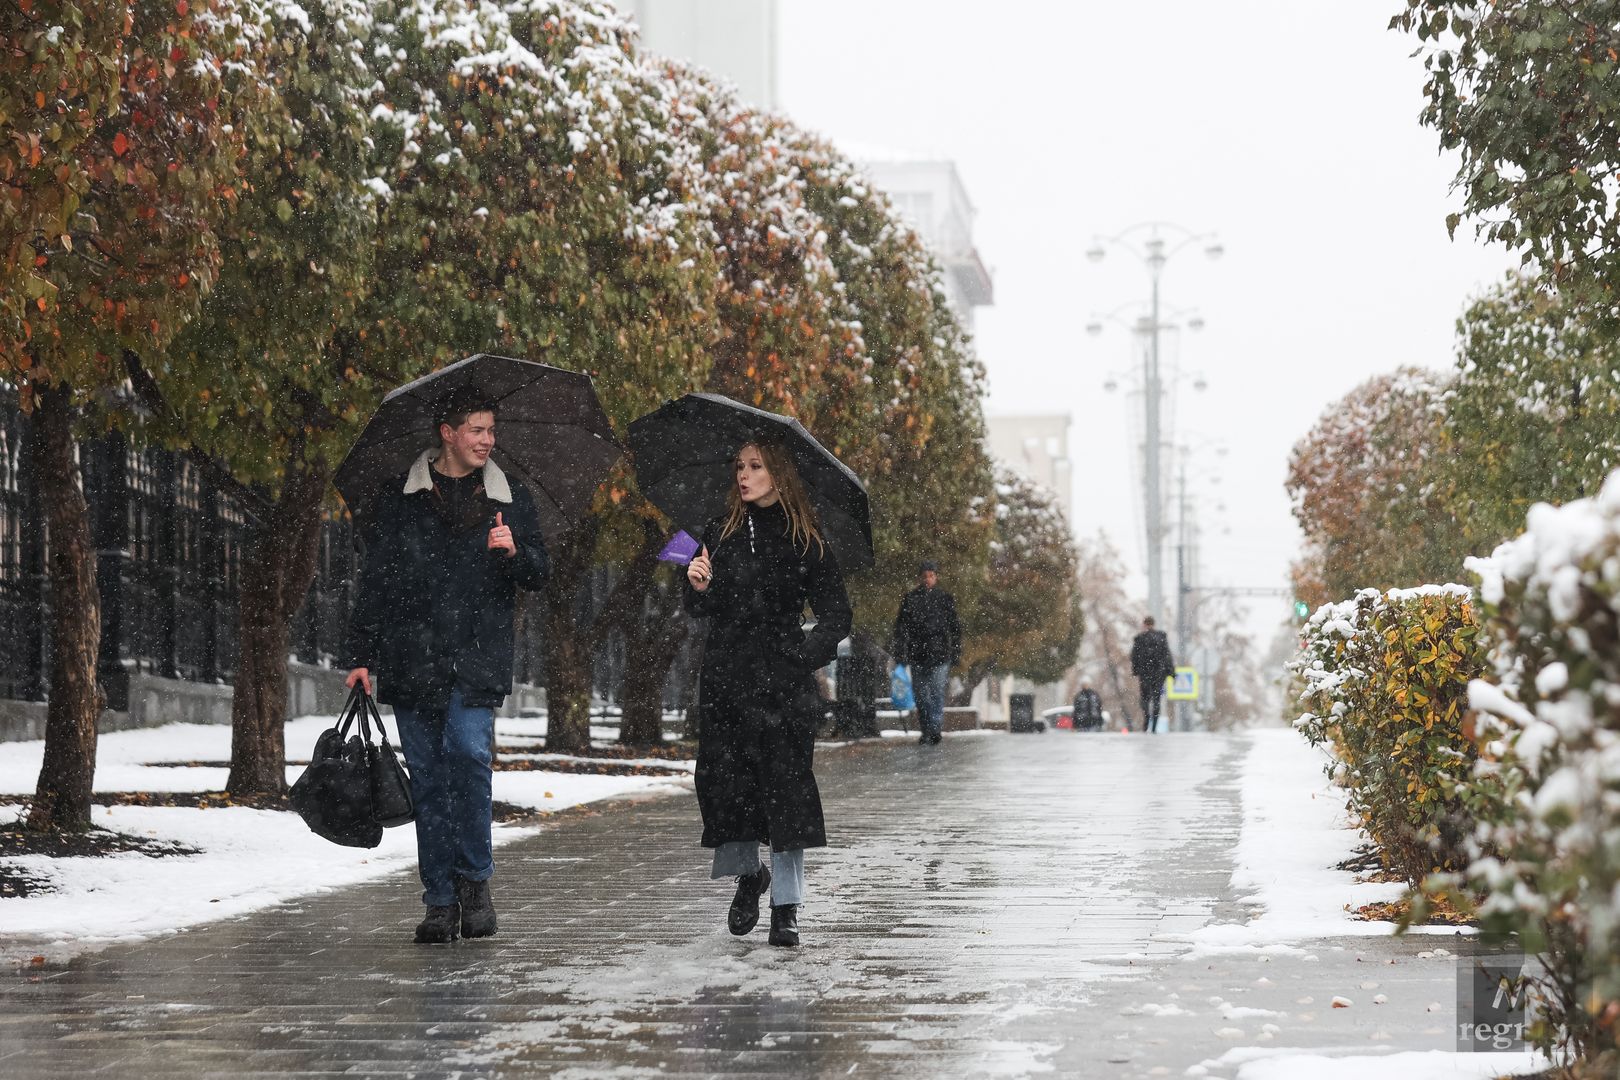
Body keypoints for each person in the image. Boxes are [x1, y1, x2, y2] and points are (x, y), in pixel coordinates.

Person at [344, 386, 549, 944]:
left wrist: (515, 553)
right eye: (477, 430)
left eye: (491, 430)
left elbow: (539, 573)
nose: (488, 440)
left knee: (467, 757)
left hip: (476, 654)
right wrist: (361, 654)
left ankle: (475, 881)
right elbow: (378, 581)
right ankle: (439, 900)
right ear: (448, 433)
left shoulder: (509, 499)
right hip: (413, 655)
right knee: (429, 781)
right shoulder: (400, 498)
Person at [684, 438, 851, 948]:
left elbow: (837, 616)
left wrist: (801, 656)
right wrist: (696, 584)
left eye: (755, 466)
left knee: (786, 792)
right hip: (726, 677)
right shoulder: (718, 531)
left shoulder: (808, 540)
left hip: (783, 683)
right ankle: (748, 876)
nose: (743, 475)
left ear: (779, 473)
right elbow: (696, 607)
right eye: (739, 466)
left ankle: (787, 904)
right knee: (724, 785)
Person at [891, 561, 961, 745]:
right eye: (925, 576)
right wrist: (901, 654)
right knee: (921, 695)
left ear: (936, 577)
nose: (928, 579)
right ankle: (927, 729)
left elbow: (955, 628)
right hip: (918, 654)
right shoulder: (911, 599)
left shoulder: (944, 599)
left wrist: (955, 652)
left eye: (931, 575)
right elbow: (901, 629)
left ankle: (935, 729)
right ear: (920, 577)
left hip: (940, 654)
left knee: (936, 693)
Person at [1129, 616, 1176, 734]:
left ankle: (1146, 718)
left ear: (1144, 624)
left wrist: (1136, 670)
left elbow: (1134, 656)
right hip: (1159, 673)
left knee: (1145, 698)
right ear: (1154, 624)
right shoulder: (1161, 637)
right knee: (1156, 699)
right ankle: (1154, 726)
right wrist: (1171, 672)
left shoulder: (1139, 639)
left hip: (1145, 673)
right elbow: (1167, 655)